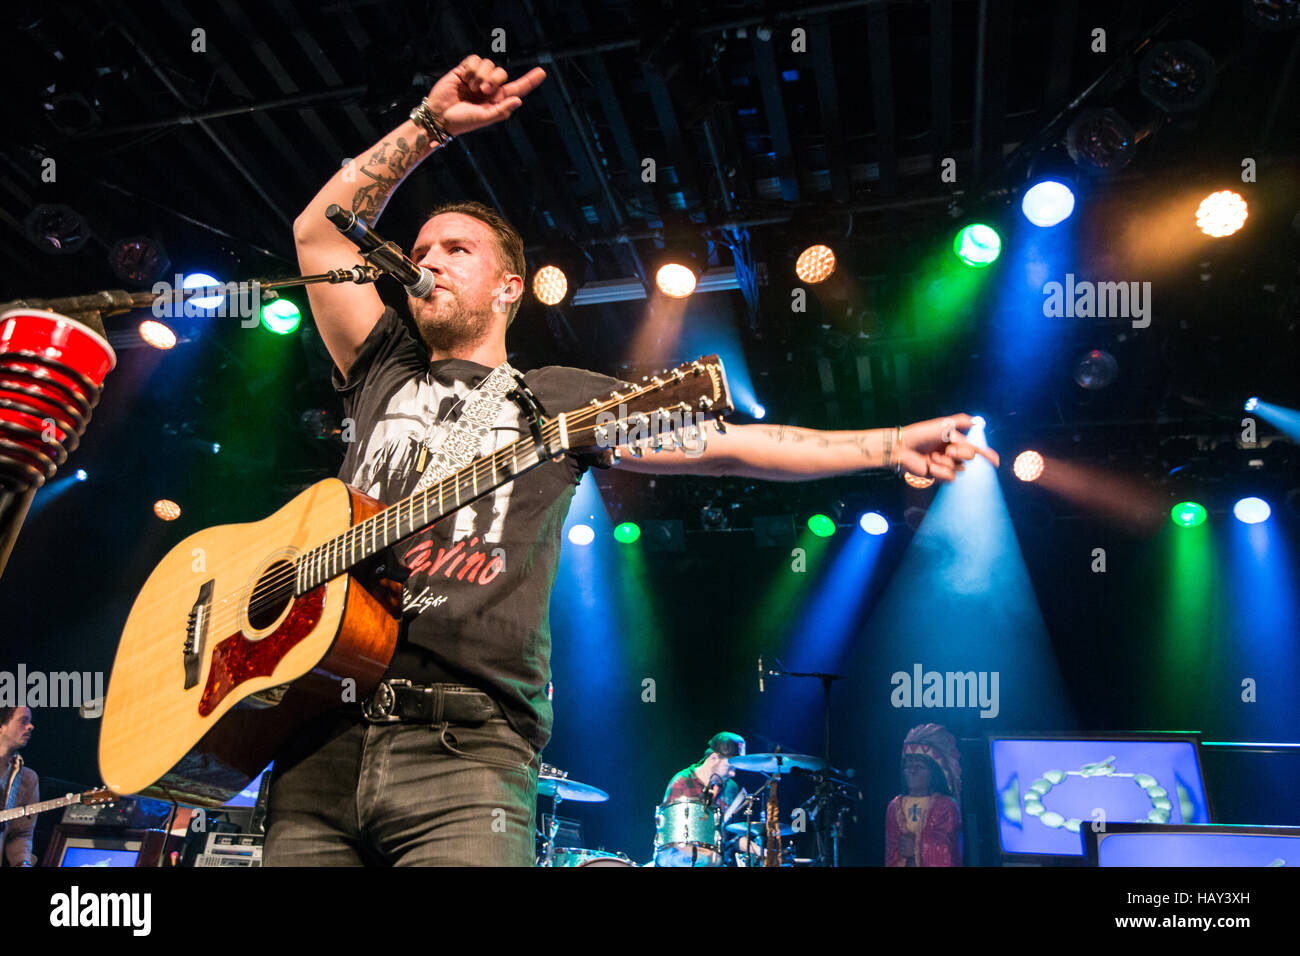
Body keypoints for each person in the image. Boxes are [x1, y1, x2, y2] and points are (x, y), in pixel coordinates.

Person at [264, 53, 998, 866]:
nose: (427, 259)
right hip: (316, 733)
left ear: (510, 288)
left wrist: (887, 444)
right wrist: (430, 125)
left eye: (456, 250)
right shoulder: (381, 364)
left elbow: (726, 447)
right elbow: (316, 230)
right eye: (423, 247)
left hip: (462, 752)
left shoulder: (556, 394)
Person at [885, 723, 962, 867]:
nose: (912, 771)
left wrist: (916, 848)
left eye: (919, 767)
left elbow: (948, 850)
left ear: (933, 773)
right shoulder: (894, 806)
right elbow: (891, 850)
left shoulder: (945, 805)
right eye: (908, 767)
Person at [0, 706, 38, 867]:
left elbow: (21, 834)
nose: (30, 726)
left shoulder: (28, 779)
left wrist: (23, 862)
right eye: (23, 721)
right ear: (1, 727)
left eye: (30, 721)